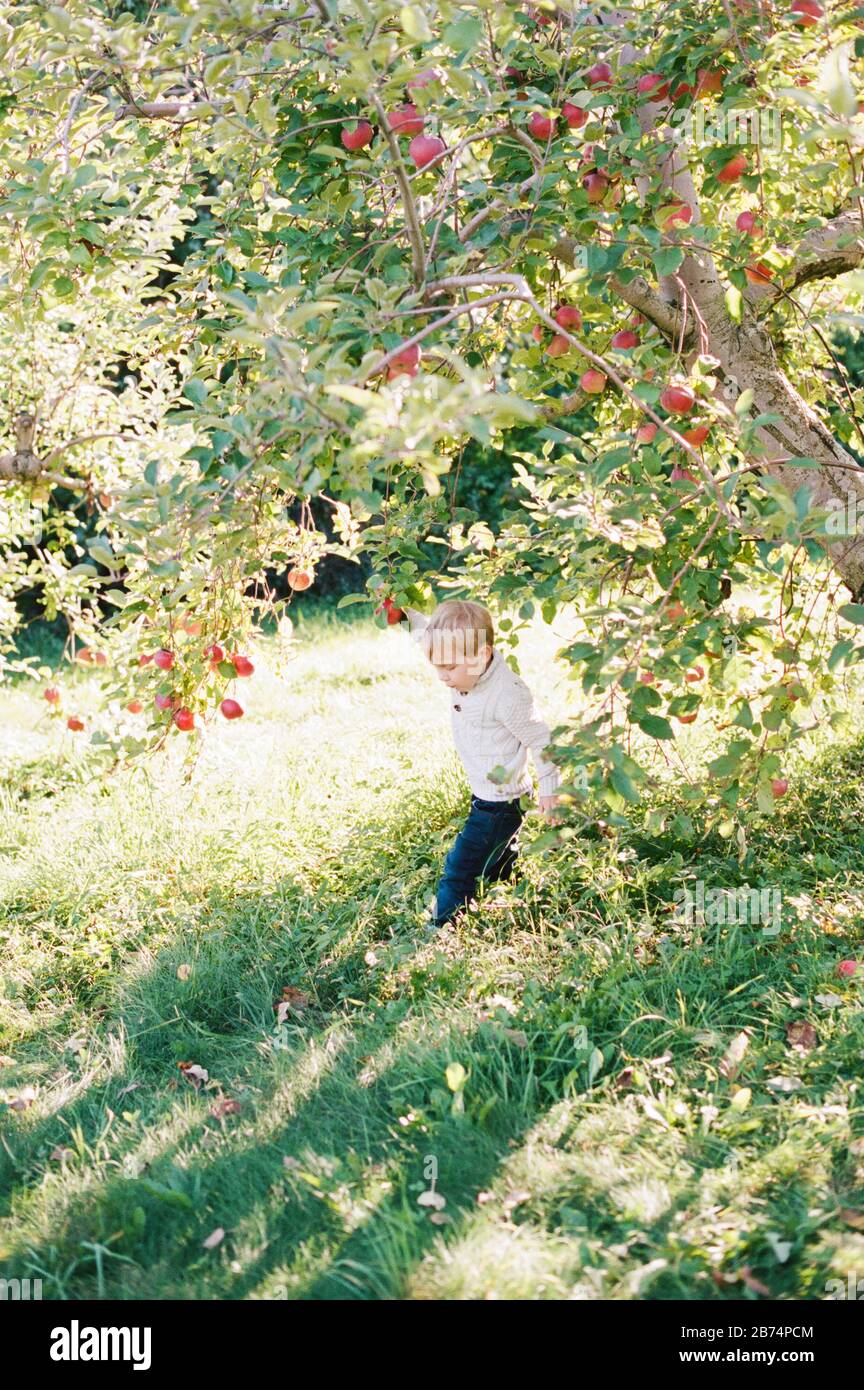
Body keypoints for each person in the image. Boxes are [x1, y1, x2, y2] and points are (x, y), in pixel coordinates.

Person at [400, 599, 562, 928]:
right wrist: (403, 612)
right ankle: (509, 895)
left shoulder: (508, 695)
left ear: (483, 655)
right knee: (495, 859)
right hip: (493, 798)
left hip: (499, 803)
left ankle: (440, 929)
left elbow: (541, 740)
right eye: (437, 667)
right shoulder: (460, 659)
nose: (442, 677)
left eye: (449, 668)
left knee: (460, 867)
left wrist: (550, 791)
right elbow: (423, 633)